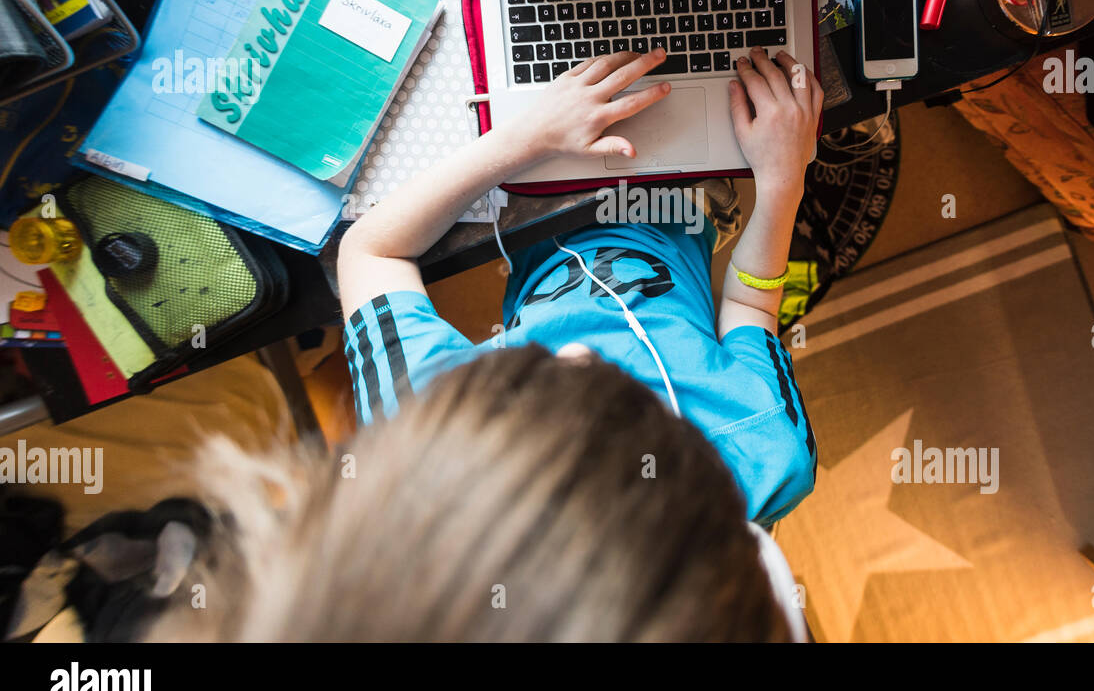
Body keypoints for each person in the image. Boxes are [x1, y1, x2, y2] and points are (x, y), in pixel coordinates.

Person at [149, 46, 822, 641]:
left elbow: (372, 249)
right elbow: (750, 302)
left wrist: (520, 141)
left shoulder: (439, 430)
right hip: (681, 199)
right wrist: (783, 184)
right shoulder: (766, 449)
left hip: (534, 195)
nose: (575, 352)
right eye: (608, 399)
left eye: (551, 383)